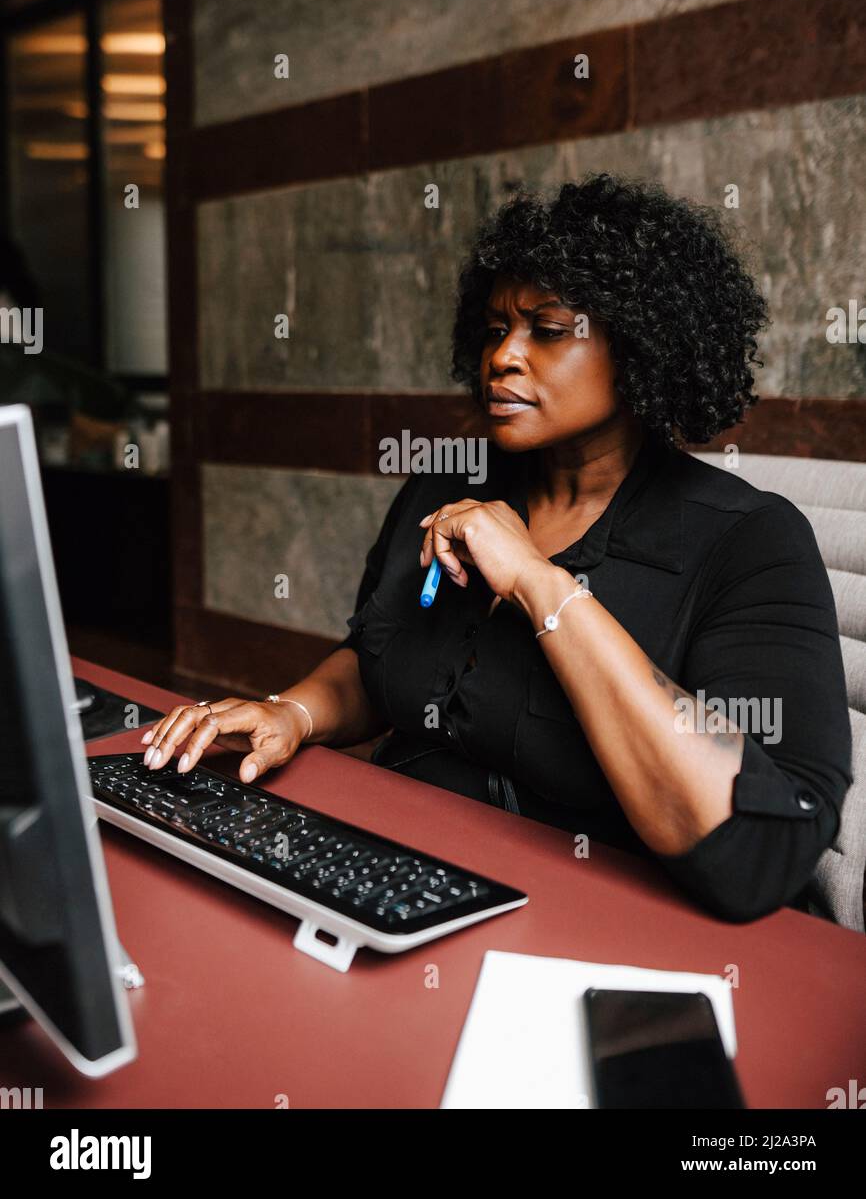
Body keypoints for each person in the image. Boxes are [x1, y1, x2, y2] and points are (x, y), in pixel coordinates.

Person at [142, 172, 853, 923]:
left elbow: (753, 855)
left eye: (546, 330)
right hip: (405, 881)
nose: (503, 357)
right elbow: (377, 656)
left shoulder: (748, 541)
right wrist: (292, 713)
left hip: (600, 928)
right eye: (493, 328)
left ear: (642, 346)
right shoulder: (446, 487)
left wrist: (538, 585)